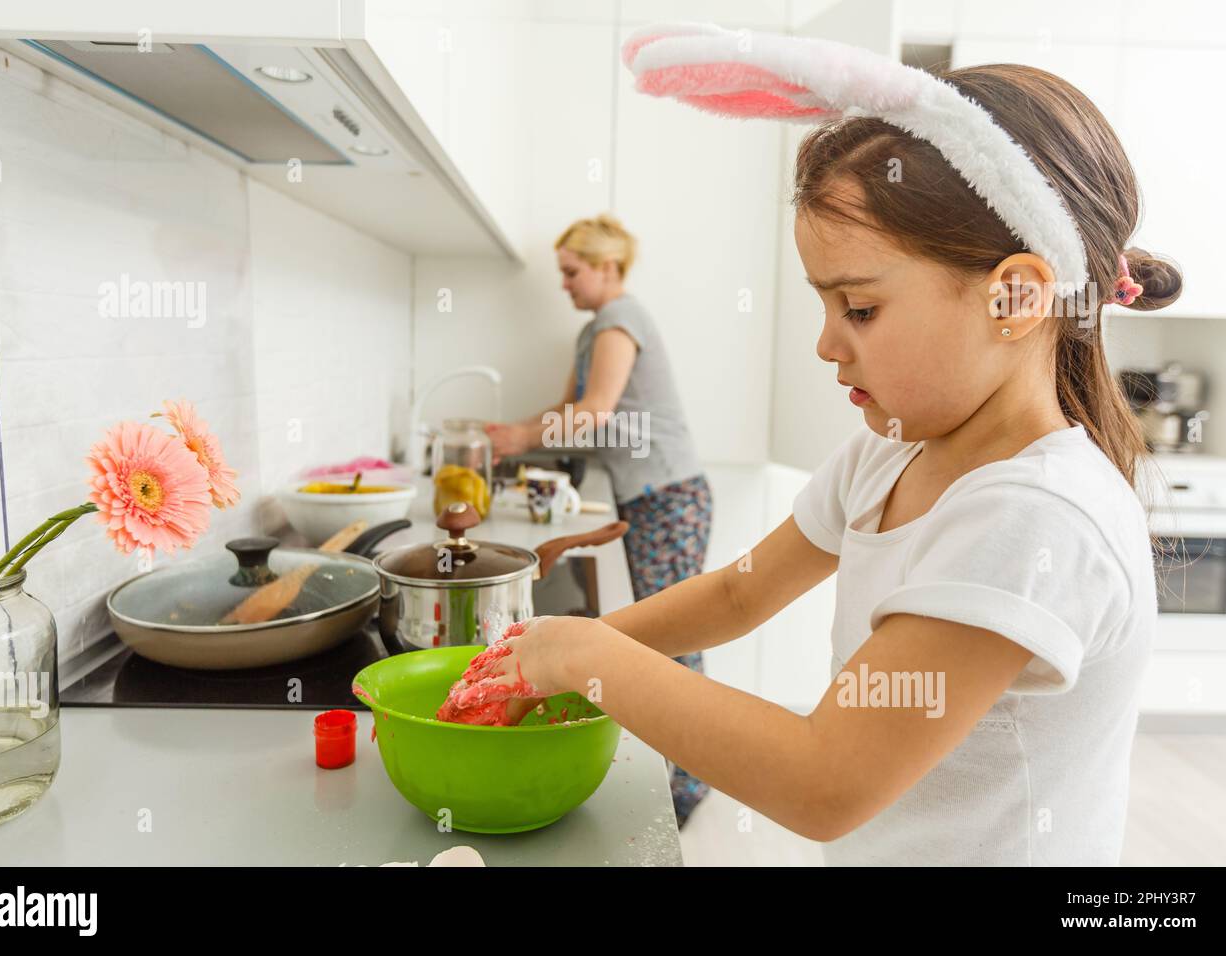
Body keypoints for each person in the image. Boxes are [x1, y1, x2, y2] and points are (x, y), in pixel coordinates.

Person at [450, 28, 1182, 863]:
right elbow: (736, 597)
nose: (826, 345)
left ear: (1014, 296)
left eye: (859, 308)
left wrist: (582, 653)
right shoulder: (894, 451)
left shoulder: (1036, 515)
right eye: (824, 306)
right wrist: (553, 651)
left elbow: (824, 780)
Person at [484, 214, 714, 827]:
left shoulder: (619, 318)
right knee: (668, 633)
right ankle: (683, 774)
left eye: (571, 271)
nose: (563, 284)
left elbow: (592, 414)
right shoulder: (595, 331)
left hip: (669, 495)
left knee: (675, 637)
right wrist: (515, 437)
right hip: (654, 496)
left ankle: (690, 782)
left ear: (607, 267)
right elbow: (568, 410)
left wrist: (521, 435)